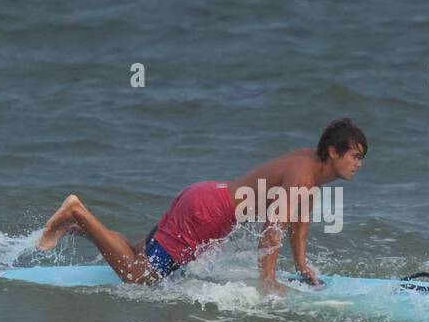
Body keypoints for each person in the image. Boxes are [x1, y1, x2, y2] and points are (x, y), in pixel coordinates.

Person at [36, 118, 367, 293]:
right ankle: (77, 211)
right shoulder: (303, 177)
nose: (358, 164)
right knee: (140, 277)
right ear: (334, 152)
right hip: (207, 214)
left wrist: (301, 264)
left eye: (361, 158)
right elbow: (271, 233)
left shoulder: (310, 166)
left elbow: (299, 221)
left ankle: (76, 226)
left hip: (205, 198)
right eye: (355, 156)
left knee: (139, 253)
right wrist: (267, 284)